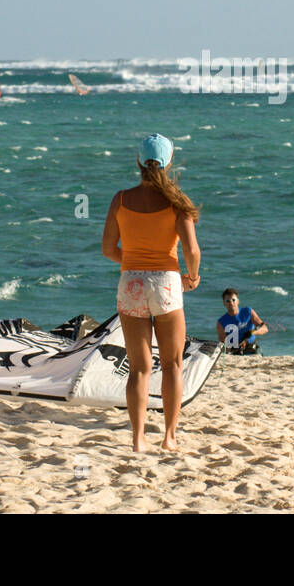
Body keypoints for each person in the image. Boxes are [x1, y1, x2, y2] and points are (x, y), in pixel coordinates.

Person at [101, 133, 200, 452]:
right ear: (169, 162)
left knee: (139, 367)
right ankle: (169, 436)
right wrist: (192, 276)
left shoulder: (121, 198)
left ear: (139, 162)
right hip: (167, 284)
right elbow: (192, 250)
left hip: (131, 283)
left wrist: (132, 261)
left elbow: (107, 248)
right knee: (172, 364)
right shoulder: (177, 202)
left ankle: (138, 438)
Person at [217, 288, 267, 355]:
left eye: (233, 300)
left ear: (238, 301)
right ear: (224, 303)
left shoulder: (248, 312)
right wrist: (231, 349)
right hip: (235, 353)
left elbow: (264, 329)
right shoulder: (221, 322)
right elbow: (222, 343)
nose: (231, 303)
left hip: (251, 349)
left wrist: (253, 332)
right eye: (228, 301)